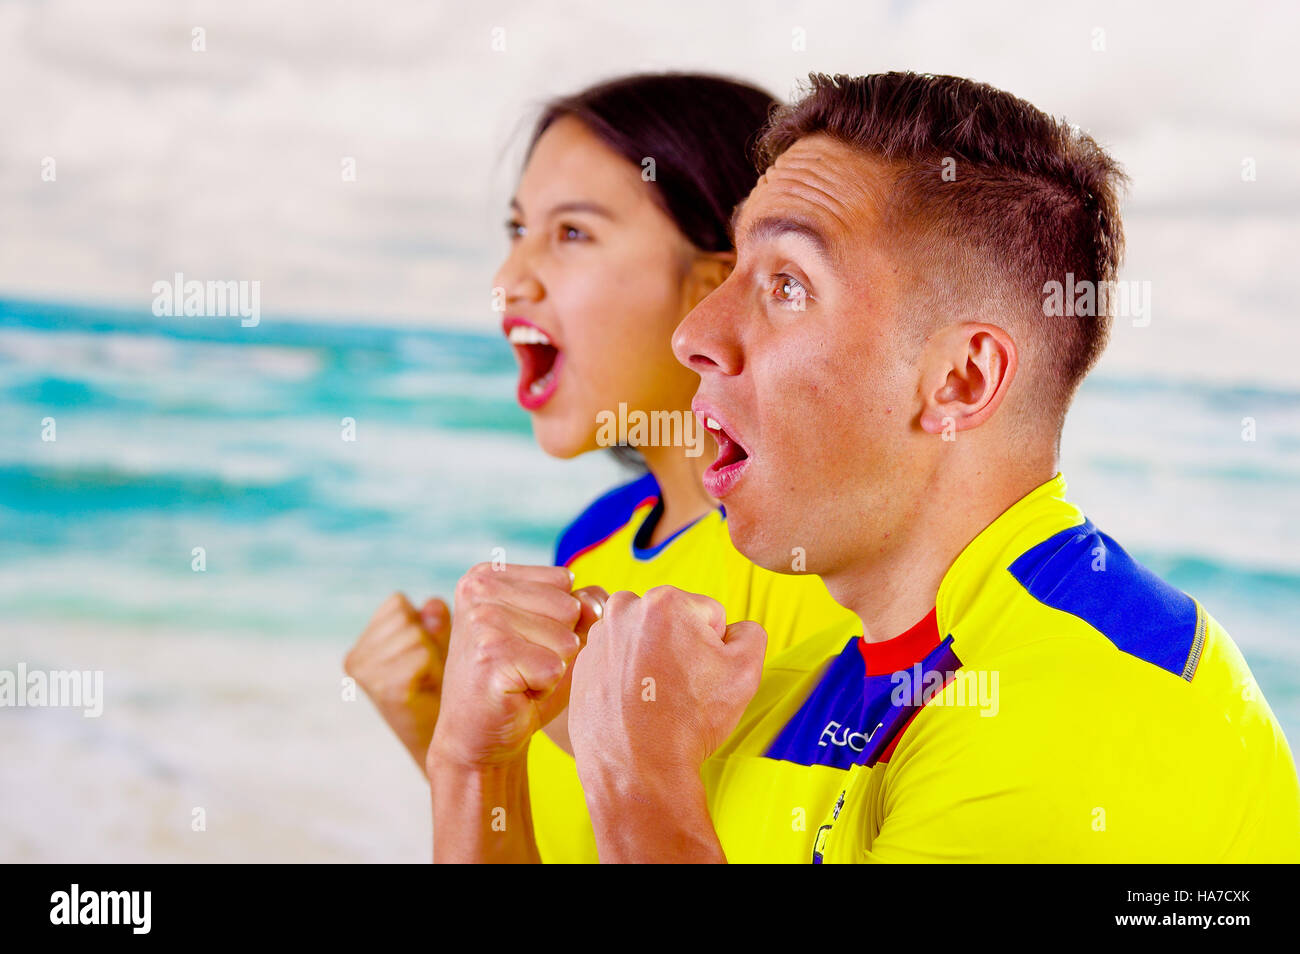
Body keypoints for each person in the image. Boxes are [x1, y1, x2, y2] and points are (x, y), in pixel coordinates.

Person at [557, 71, 1300, 862]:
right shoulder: (827, 682)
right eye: (738, 266)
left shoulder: (1079, 705)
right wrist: (472, 756)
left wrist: (637, 783)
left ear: (961, 380)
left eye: (786, 283)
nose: (696, 332)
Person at [344, 73, 858, 863]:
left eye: (572, 234)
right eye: (517, 230)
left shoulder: (816, 577)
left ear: (719, 286)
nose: (509, 280)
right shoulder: (592, 542)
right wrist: (451, 741)